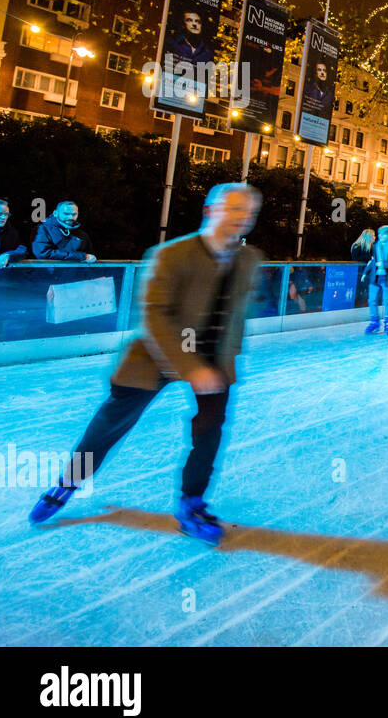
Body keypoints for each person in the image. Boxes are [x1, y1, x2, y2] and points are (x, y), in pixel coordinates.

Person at [27, 184, 264, 544]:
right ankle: (69, 482)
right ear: (209, 210)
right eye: (233, 209)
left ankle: (192, 504)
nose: (242, 219)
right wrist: (190, 366)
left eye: (249, 213)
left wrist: (227, 360)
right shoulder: (172, 254)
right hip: (155, 355)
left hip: (214, 356)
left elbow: (236, 313)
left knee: (209, 430)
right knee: (109, 425)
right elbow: (155, 317)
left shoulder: (249, 260)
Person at [361, 225, 388, 335]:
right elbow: (373, 261)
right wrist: (366, 272)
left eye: (383, 234)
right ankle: (374, 322)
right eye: (379, 234)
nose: (380, 236)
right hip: (375, 277)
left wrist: (383, 264)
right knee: (372, 300)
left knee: (387, 301)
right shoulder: (376, 245)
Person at [0, 198, 27, 274]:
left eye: (6, 214)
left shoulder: (11, 231)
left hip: (0, 277)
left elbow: (22, 249)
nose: (4, 217)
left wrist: (8, 255)